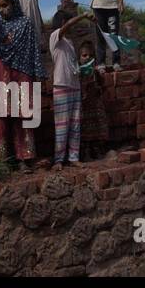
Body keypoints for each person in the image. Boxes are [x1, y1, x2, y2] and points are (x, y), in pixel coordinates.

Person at [0, 0, 44, 170]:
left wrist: (38, 74)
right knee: (1, 117)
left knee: (22, 116)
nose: (2, 9)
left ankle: (24, 159)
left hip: (22, 72)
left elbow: (34, 50)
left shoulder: (26, 23)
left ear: (14, 4)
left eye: (5, 5)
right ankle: (0, 161)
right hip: (1, 71)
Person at [49, 12, 96, 170]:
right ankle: (59, 160)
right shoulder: (55, 36)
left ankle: (73, 157)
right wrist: (82, 16)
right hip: (62, 86)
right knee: (62, 125)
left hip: (74, 85)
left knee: (75, 124)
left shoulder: (69, 42)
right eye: (68, 21)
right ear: (63, 22)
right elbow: (67, 26)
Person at [78, 43, 110, 159]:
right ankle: (86, 152)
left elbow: (103, 86)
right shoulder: (78, 73)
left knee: (98, 129)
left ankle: (97, 150)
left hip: (96, 105)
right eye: (84, 55)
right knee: (85, 130)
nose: (87, 58)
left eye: (90, 56)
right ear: (79, 58)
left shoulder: (95, 72)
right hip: (84, 106)